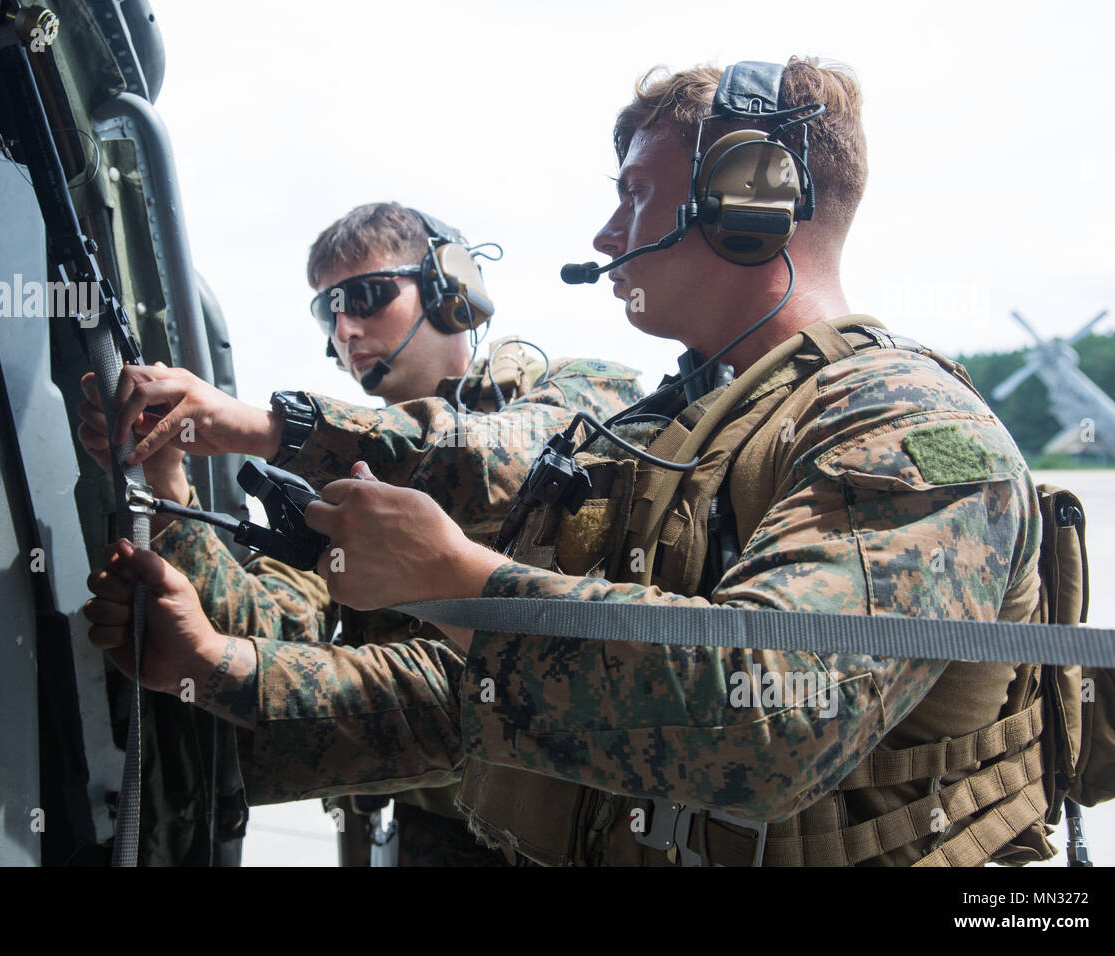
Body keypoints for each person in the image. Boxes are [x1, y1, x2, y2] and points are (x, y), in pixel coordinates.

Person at [86, 59, 1055, 866]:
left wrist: (465, 580)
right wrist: (223, 664)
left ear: (747, 201)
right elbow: (504, 700)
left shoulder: (908, 423)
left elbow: (774, 718)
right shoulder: (666, 433)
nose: (604, 235)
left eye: (636, 195)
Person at [76, 202, 643, 865]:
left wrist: (273, 427)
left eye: (365, 297)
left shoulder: (582, 394)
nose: (344, 329)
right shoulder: (339, 480)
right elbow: (269, 627)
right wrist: (169, 489)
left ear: (448, 286)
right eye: (328, 314)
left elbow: (499, 458)